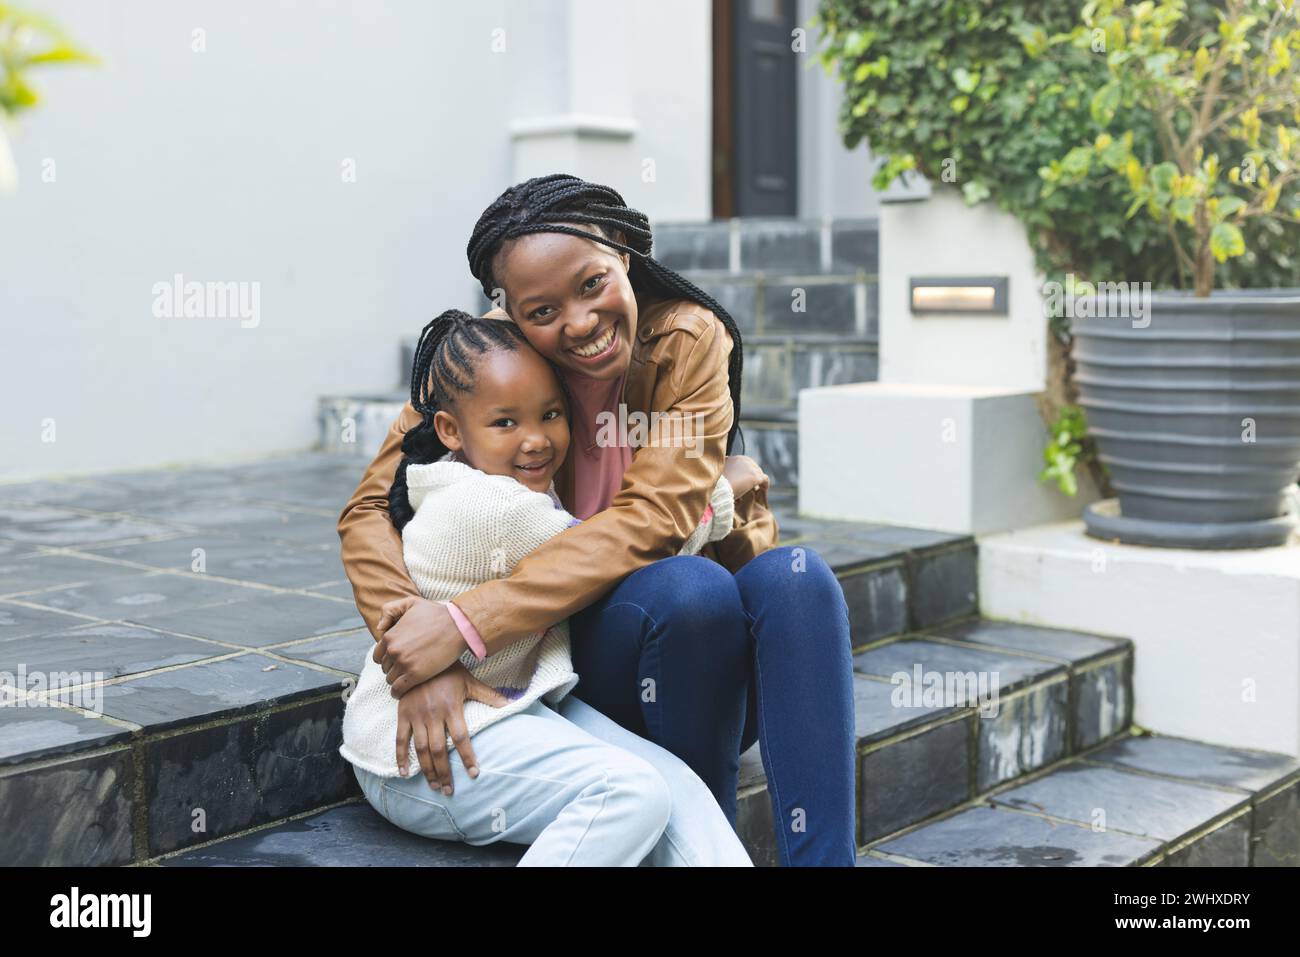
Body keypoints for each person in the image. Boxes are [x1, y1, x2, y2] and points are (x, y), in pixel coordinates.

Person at [339, 174, 858, 866]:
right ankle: (702, 836)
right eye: (543, 309)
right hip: (580, 654)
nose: (579, 323)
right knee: (685, 588)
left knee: (799, 578)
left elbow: (653, 517)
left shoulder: (683, 336)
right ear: (507, 308)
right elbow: (371, 506)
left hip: (698, 667)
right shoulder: (484, 361)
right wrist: (416, 644)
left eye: (590, 285)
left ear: (621, 248)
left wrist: (464, 624)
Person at [341, 308, 754, 866]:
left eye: (551, 414)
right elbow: (621, 551)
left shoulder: (488, 481)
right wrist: (721, 491)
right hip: (417, 754)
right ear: (449, 430)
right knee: (631, 792)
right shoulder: (491, 505)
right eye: (506, 422)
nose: (536, 441)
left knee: (677, 783)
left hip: (506, 707)